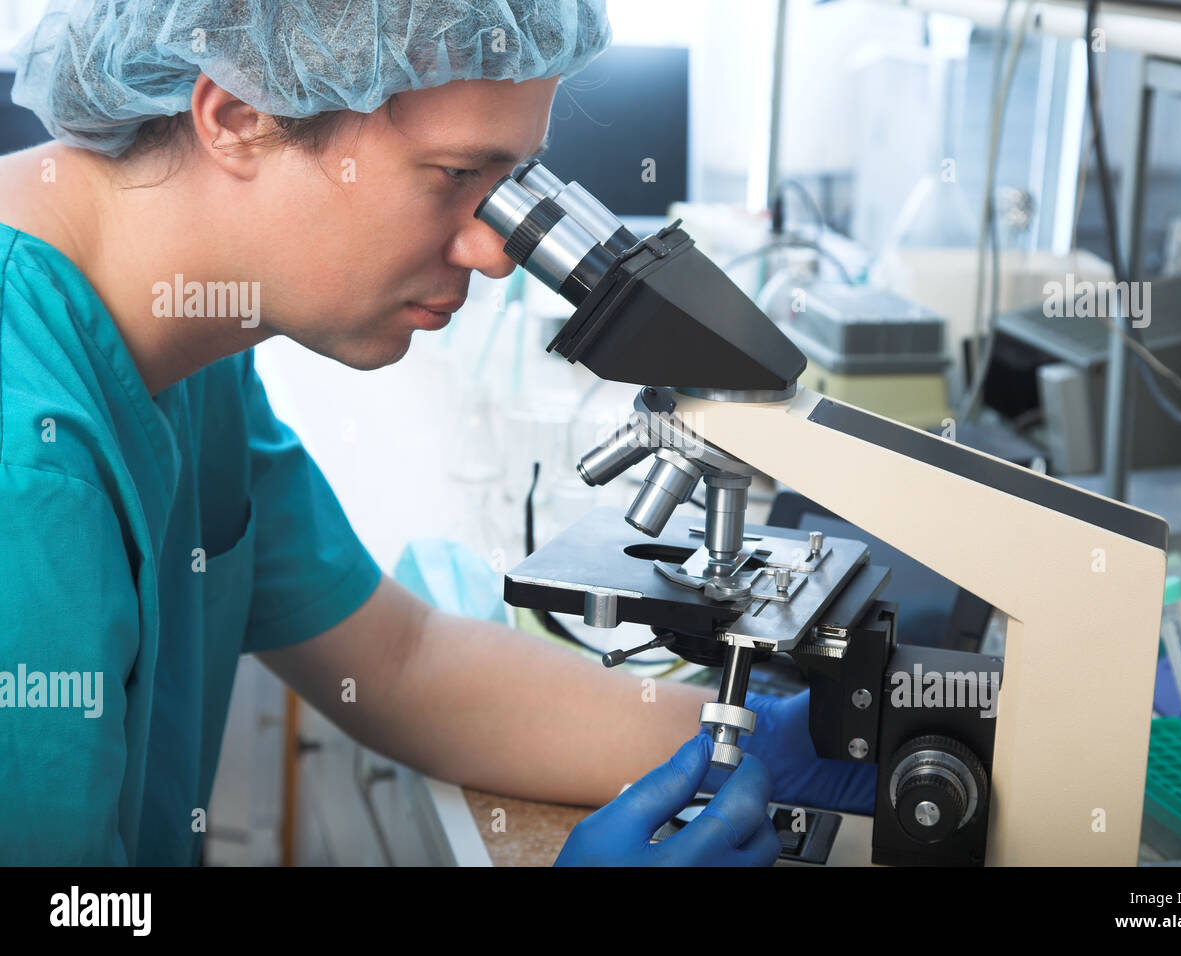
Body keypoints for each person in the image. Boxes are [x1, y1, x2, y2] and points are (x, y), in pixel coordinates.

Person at [0, 0, 875, 866]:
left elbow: (399, 661)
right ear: (238, 118)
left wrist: (776, 743)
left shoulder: (188, 352)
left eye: (513, 186)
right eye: (457, 174)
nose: (496, 253)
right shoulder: (29, 463)